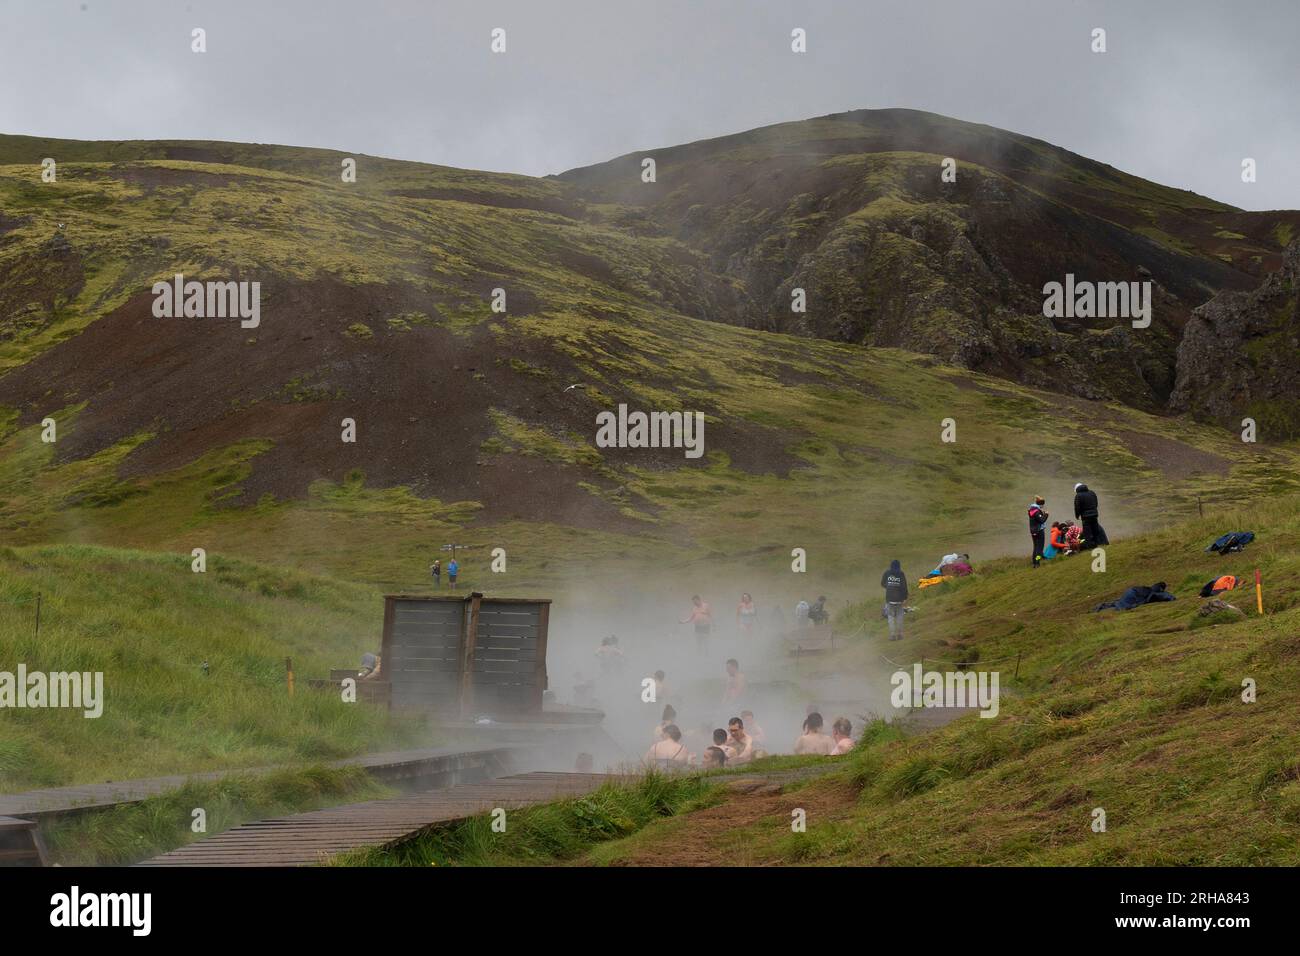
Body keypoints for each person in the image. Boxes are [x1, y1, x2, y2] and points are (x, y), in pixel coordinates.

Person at [1073, 483, 1109, 549]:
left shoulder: (1078, 496)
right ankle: (1099, 544)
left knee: (1087, 533)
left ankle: (1091, 547)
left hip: (1085, 517)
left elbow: (1077, 507)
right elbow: (1096, 502)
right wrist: (1094, 510)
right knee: (1095, 530)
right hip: (1094, 515)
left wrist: (1077, 515)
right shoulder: (1092, 492)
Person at [881, 560, 908, 641]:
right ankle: (900, 635)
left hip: (889, 598)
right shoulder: (901, 573)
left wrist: (889, 587)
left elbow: (882, 583)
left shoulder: (887, 573)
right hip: (899, 599)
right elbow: (904, 586)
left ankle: (892, 635)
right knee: (900, 616)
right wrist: (905, 597)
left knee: (891, 617)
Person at [1028, 496, 1049, 567]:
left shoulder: (1031, 510)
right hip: (1039, 531)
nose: (1043, 506)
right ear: (1041, 504)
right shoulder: (1037, 511)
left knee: (1035, 547)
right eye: (1043, 505)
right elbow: (1042, 520)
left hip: (1033, 531)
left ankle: (1034, 563)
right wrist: (1046, 514)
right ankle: (1037, 562)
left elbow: (1037, 519)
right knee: (1040, 549)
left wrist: (1042, 513)